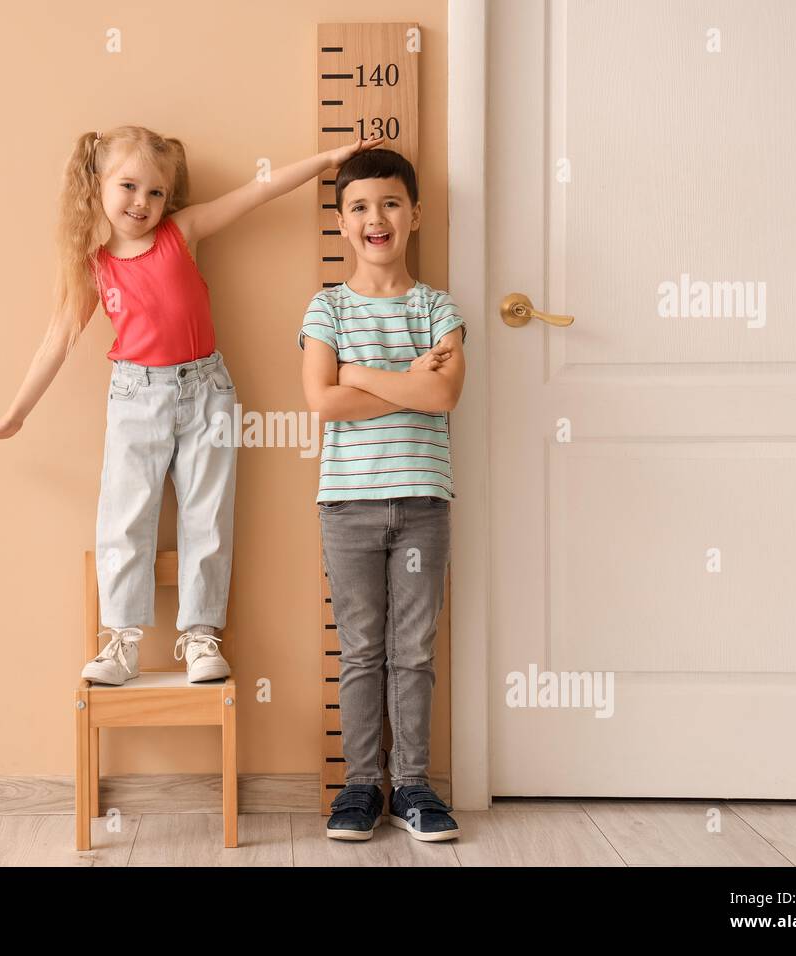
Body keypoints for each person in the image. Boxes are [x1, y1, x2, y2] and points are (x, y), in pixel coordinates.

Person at [0, 125, 383, 685]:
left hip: (208, 391)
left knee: (208, 516)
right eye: (128, 187)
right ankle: (120, 640)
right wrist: (16, 413)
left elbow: (258, 191)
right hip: (135, 397)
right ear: (97, 186)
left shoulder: (181, 233)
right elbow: (57, 339)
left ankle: (200, 635)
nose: (142, 203)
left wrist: (331, 157)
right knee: (124, 518)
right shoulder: (95, 266)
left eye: (156, 192)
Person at [298, 148, 465, 841]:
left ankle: (417, 786)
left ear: (415, 215)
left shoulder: (437, 307)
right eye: (361, 207)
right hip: (347, 508)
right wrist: (397, 375)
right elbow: (322, 401)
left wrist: (358, 375)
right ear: (342, 223)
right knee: (362, 649)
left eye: (391, 204)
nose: (377, 218)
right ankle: (362, 785)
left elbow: (443, 393)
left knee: (414, 650)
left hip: (423, 504)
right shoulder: (326, 307)